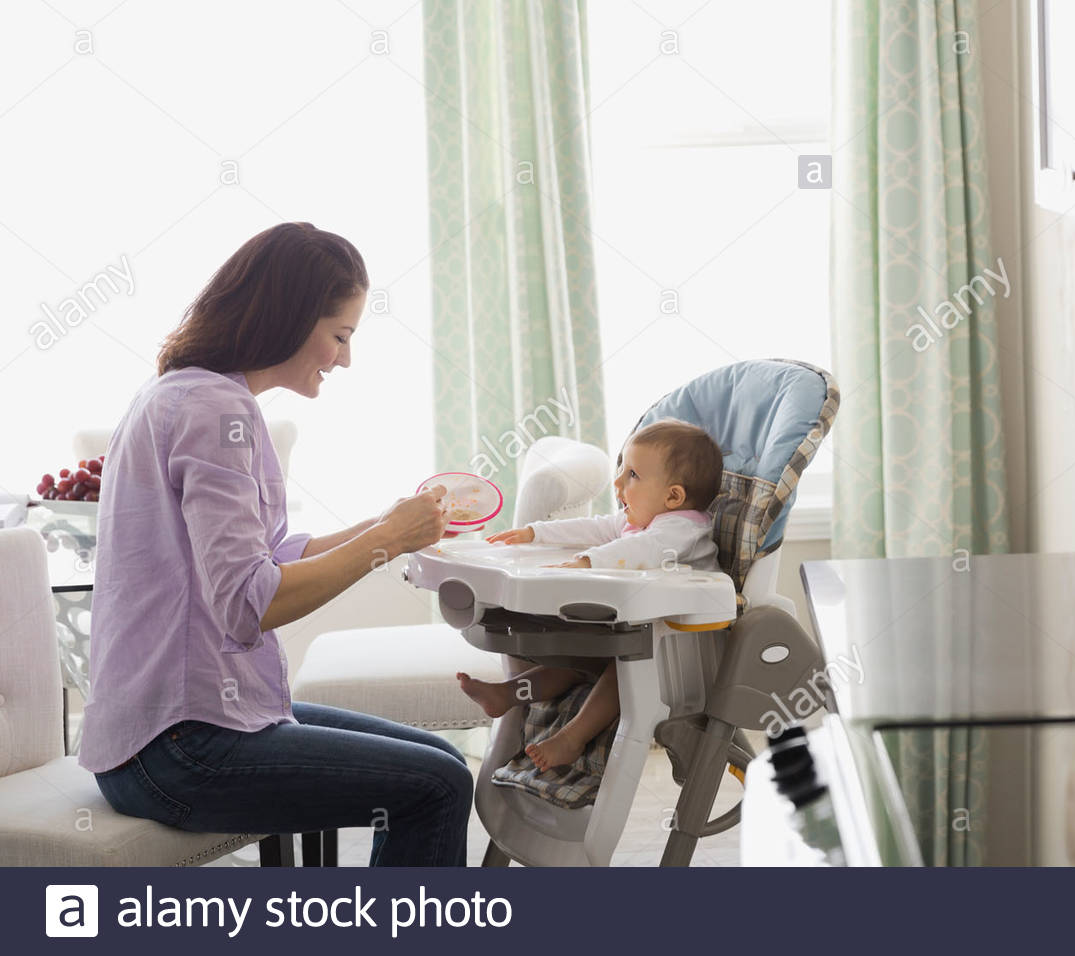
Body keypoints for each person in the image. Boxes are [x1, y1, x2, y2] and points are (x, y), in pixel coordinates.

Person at [79, 222, 473, 866]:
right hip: (179, 749)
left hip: (169, 733)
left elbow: (269, 558)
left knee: (443, 761)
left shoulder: (185, 391)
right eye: (340, 335)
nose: (345, 358)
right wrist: (385, 537)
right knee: (438, 785)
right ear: (290, 318)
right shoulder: (217, 410)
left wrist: (388, 528)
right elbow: (249, 603)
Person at [456, 419, 723, 772]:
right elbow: (595, 528)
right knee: (572, 661)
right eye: (621, 469)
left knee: (618, 670)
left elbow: (642, 550)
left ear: (673, 496)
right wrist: (535, 534)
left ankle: (572, 737)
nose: (617, 483)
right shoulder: (639, 520)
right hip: (642, 641)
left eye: (633, 476)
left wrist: (588, 562)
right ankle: (507, 694)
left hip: (679, 655)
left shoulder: (682, 529)